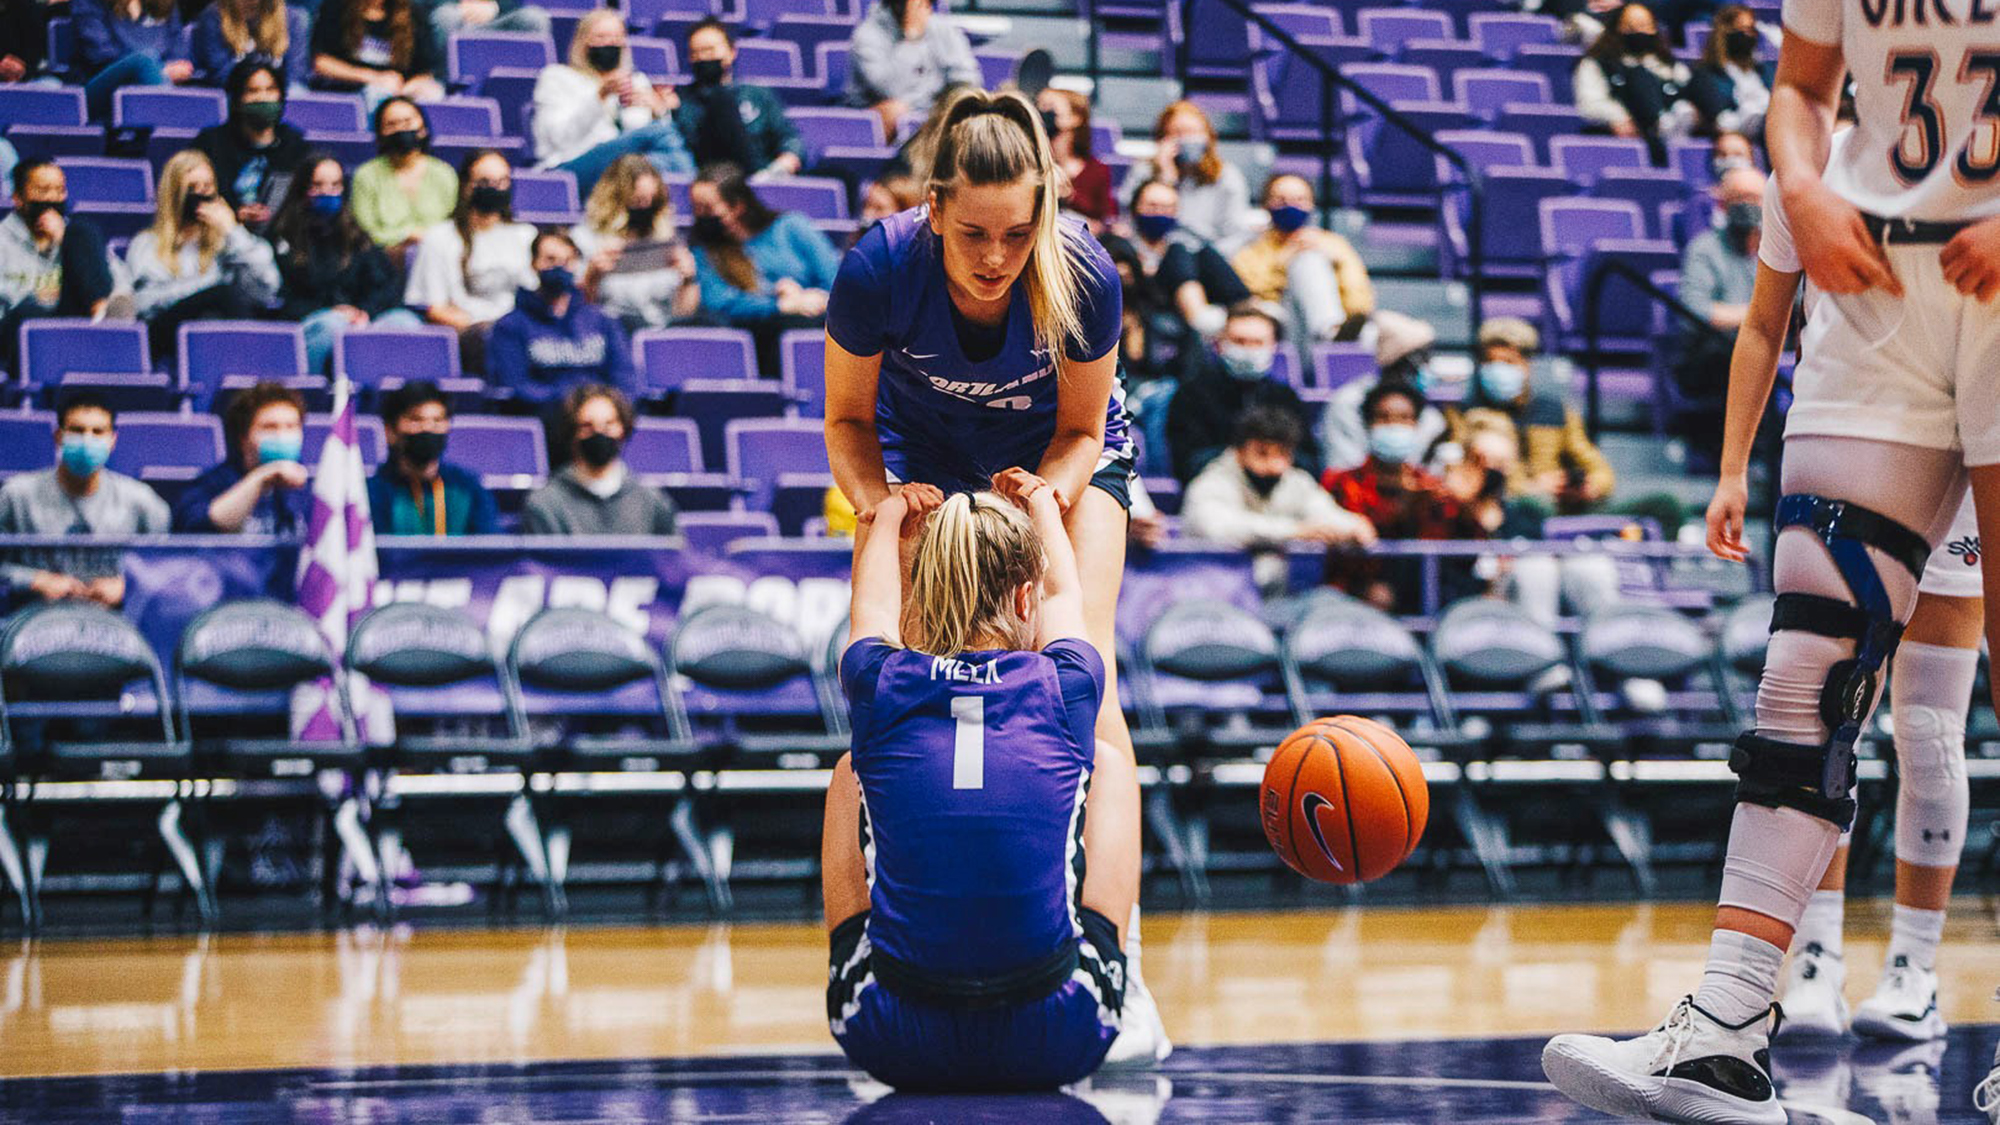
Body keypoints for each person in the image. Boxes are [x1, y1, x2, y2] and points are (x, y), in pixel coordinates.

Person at [1540, 0, 2000, 1111]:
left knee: (1935, 709)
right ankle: (1728, 1025)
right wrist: (1798, 183)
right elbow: (1797, 88)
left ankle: (1903, 968)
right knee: (1811, 666)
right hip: (1871, 285)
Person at [822, 87, 1169, 1066]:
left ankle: (1116, 960)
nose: (993, 257)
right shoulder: (877, 268)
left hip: (1059, 458)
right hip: (916, 453)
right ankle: (909, 941)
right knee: (896, 682)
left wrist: (1040, 505)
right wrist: (884, 510)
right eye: (973, 232)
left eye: (1017, 234)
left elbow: (1079, 430)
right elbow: (845, 426)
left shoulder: (1083, 273)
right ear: (931, 208)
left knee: (1084, 679)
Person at [1702, 133, 1979, 1052]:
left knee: (1933, 728)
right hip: (1859, 431)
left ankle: (1915, 965)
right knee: (1823, 706)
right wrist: (1732, 467)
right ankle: (1810, 961)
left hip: (1969, 436)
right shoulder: (1808, 158)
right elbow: (1762, 321)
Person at [824, 471, 1133, 1092]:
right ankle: (1116, 961)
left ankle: (859, 959)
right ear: (1025, 601)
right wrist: (1044, 507)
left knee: (849, 769)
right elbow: (1066, 596)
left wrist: (885, 519)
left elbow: (874, 606)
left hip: (892, 1036)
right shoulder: (1065, 684)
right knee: (1111, 761)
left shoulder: (879, 682)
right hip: (1056, 1036)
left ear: (920, 597)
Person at [1321, 382, 1489, 612]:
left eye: (1404, 418)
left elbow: (1464, 554)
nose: (1394, 426)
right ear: (1368, 425)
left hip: (1427, 594)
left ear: (1417, 425)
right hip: (1356, 596)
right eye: (1383, 418)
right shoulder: (1340, 483)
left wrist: (1468, 506)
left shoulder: (1433, 487)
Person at [0, 392, 170, 609]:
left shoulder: (143, 503)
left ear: (112, 440)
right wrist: (33, 580)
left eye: (98, 431)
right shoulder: (16, 495)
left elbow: (166, 572)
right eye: (77, 430)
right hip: (34, 625)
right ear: (58, 436)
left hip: (117, 629)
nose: (87, 440)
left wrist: (127, 586)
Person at [1182, 406, 1374, 595]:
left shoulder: (1297, 482)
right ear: (1239, 451)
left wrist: (1353, 525)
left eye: (1282, 453)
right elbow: (1218, 528)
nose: (1273, 465)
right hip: (1210, 594)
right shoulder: (1211, 482)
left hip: (1275, 597)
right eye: (1262, 453)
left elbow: (1325, 514)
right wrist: (1295, 531)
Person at [269, 153, 424, 374]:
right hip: (312, 321)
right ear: (302, 189)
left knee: (406, 323)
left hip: (361, 317)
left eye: (335, 185)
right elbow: (284, 299)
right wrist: (334, 310)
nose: (327, 193)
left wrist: (364, 312)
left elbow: (384, 286)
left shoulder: (356, 235)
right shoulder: (283, 238)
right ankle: (316, 397)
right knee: (332, 326)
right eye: (317, 185)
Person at [125, 149, 282, 360]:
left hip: (219, 334)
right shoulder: (147, 243)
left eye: (207, 187)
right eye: (191, 188)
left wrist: (232, 231)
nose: (200, 194)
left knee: (220, 308)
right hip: (165, 335)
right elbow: (141, 303)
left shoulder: (228, 243)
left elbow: (268, 287)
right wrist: (204, 291)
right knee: (222, 294)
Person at [691, 161, 841, 373]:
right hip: (757, 333)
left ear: (737, 206)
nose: (700, 216)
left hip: (816, 316)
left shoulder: (791, 226)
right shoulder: (705, 249)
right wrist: (779, 305)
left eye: (707, 208)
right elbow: (719, 302)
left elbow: (835, 281)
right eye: (695, 208)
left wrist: (805, 297)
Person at [404, 148, 537, 373]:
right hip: (470, 334)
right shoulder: (439, 238)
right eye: (485, 181)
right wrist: (490, 328)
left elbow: (537, 297)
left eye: (502, 181)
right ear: (466, 186)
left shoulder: (527, 235)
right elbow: (435, 309)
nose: (495, 189)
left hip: (521, 332)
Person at [533, 10, 693, 195]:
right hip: (570, 166)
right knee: (659, 132)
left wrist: (659, 111)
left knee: (661, 162)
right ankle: (693, 195)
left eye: (617, 37)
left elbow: (655, 143)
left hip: (622, 169)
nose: (610, 43)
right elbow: (560, 139)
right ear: (582, 43)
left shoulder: (636, 81)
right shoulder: (557, 77)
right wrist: (600, 96)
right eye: (601, 37)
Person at [1164, 304, 1317, 484]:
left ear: (1273, 346)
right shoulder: (1192, 394)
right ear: (1219, 344)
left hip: (1280, 489)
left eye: (1258, 342)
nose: (1249, 350)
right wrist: (1246, 457)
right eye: (1240, 341)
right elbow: (1187, 463)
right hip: (1217, 489)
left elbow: (1309, 462)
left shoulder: (1285, 397)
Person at [1230, 173, 1374, 359]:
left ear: (1311, 205)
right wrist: (1284, 261)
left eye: (1299, 200)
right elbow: (1247, 298)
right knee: (1306, 262)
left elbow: (1361, 301)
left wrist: (1336, 263)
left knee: (1397, 333)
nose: (1290, 206)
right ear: (1267, 205)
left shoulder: (1333, 244)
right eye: (1281, 200)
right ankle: (1329, 332)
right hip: (1282, 326)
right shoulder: (1251, 250)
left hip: (1332, 324)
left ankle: (1331, 330)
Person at [0, 159, 125, 373]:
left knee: (82, 231)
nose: (51, 199)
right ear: (18, 198)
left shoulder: (80, 236)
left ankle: (101, 326)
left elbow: (119, 285)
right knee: (31, 313)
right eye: (42, 190)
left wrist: (64, 242)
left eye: (59, 191)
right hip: (14, 333)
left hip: (74, 323)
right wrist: (43, 296)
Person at [488, 229, 636, 409]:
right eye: (550, 260)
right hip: (547, 416)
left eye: (567, 261)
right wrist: (570, 404)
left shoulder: (602, 321)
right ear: (534, 263)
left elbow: (624, 378)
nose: (559, 267)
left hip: (598, 415)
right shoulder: (511, 326)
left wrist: (601, 406)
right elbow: (517, 384)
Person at [521, 384, 677, 534]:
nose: (599, 433)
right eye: (587, 426)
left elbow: (673, 558)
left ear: (623, 430)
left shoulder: (653, 501)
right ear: (572, 433)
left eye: (609, 424)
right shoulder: (545, 504)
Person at [571, 153, 699, 331]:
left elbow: (684, 314)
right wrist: (592, 276)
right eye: (637, 202)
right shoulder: (585, 237)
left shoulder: (667, 236)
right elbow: (577, 313)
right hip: (615, 329)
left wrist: (688, 280)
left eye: (651, 202)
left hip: (663, 328)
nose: (645, 209)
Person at [1318, 309, 1449, 474]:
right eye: (1422, 358)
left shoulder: (1432, 418)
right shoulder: (1348, 402)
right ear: (1400, 360)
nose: (1427, 366)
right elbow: (1341, 469)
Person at [173, 380, 311, 534]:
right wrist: (261, 478)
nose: (282, 435)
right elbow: (200, 525)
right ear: (243, 437)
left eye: (291, 426)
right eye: (269, 427)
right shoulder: (212, 484)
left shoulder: (312, 490)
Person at [1676, 164, 1765, 404]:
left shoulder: (1781, 253)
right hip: (1713, 357)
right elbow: (1697, 312)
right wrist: (1763, 315)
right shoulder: (1704, 249)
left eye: (1756, 198)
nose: (1749, 205)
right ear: (1722, 205)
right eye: (1740, 198)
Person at [366, 380, 499, 536]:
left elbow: (491, 552)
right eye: (416, 420)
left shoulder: (468, 488)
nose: (428, 428)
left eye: (438, 420)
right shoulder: (372, 492)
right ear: (390, 431)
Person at [675, 18, 804, 178]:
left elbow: (788, 136)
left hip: (764, 173)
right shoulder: (681, 99)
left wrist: (788, 159)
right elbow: (687, 145)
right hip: (714, 176)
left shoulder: (757, 94)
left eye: (709, 50)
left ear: (731, 52)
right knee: (720, 98)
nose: (703, 58)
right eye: (695, 53)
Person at [1126, 177, 1251, 343]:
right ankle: (1201, 319)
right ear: (1136, 208)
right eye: (1152, 206)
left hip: (1183, 313)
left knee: (1203, 252)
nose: (1159, 213)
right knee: (1179, 251)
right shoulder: (1122, 245)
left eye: (1167, 208)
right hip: (1146, 309)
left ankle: (1250, 313)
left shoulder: (1185, 245)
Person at [193, 56, 312, 230]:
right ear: (237, 100)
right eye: (252, 91)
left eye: (270, 89)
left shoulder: (296, 146)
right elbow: (194, 197)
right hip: (218, 233)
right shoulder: (210, 143)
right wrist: (234, 213)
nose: (263, 98)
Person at [1128, 101, 1257, 256]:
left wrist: (1211, 260)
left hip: (1209, 255)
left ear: (1208, 137)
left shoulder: (1226, 175)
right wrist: (1165, 178)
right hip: (1157, 254)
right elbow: (1130, 224)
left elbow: (1235, 233)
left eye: (1192, 132)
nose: (1186, 139)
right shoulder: (1144, 171)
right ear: (1162, 139)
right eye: (1177, 133)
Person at [1572, 2, 1696, 160]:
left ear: (1655, 29)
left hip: (1672, 138)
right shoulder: (1597, 62)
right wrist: (1618, 117)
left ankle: (1665, 125)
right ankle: (1661, 123)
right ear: (1617, 28)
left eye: (1645, 26)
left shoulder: (1671, 66)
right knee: (1638, 74)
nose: (1639, 32)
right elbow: (1590, 104)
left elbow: (1688, 94)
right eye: (1631, 27)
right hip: (1622, 135)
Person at [844, 0, 982, 141]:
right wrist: (912, 38)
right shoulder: (867, 34)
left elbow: (967, 78)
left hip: (933, 110)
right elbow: (893, 90)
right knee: (896, 110)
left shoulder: (943, 29)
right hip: (882, 119)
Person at [349, 96, 458, 257]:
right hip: (384, 260)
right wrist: (406, 236)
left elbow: (457, 223)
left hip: (439, 256)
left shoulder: (444, 173)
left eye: (407, 122)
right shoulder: (365, 175)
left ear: (423, 129)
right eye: (391, 124)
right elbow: (365, 232)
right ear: (380, 134)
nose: (401, 129)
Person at [72, 0, 193, 120]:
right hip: (98, 90)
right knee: (145, 60)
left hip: (156, 85)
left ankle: (172, 127)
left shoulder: (165, 4)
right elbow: (99, 55)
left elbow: (179, 57)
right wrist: (156, 70)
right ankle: (173, 125)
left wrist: (159, 72)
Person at [308, 0, 444, 103]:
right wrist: (372, 77)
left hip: (398, 89)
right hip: (348, 89)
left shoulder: (413, 14)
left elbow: (425, 72)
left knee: (433, 92)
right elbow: (321, 63)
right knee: (378, 92)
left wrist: (404, 89)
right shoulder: (337, 7)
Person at [1686, 5, 1773, 139]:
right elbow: (1720, 121)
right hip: (1734, 137)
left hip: (1769, 131)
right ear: (1726, 32)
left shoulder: (1764, 71)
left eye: (1752, 30)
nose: (1749, 36)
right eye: (1743, 30)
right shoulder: (1705, 75)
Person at [1037, 88, 1116, 229]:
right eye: (1039, 106)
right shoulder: (1030, 163)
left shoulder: (1096, 169)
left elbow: (1106, 218)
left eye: (1050, 107)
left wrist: (1069, 195)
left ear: (1076, 117)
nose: (1041, 113)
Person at [422, 0, 550, 84]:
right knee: (446, 16)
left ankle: (530, 86)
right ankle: (445, 83)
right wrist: (461, 3)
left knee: (534, 18)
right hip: (458, 15)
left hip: (498, 17)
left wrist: (495, 6)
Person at [190, 0, 309, 86]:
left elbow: (295, 75)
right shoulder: (212, 17)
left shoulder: (294, 20)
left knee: (296, 91)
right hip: (234, 98)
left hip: (278, 96)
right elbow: (220, 74)